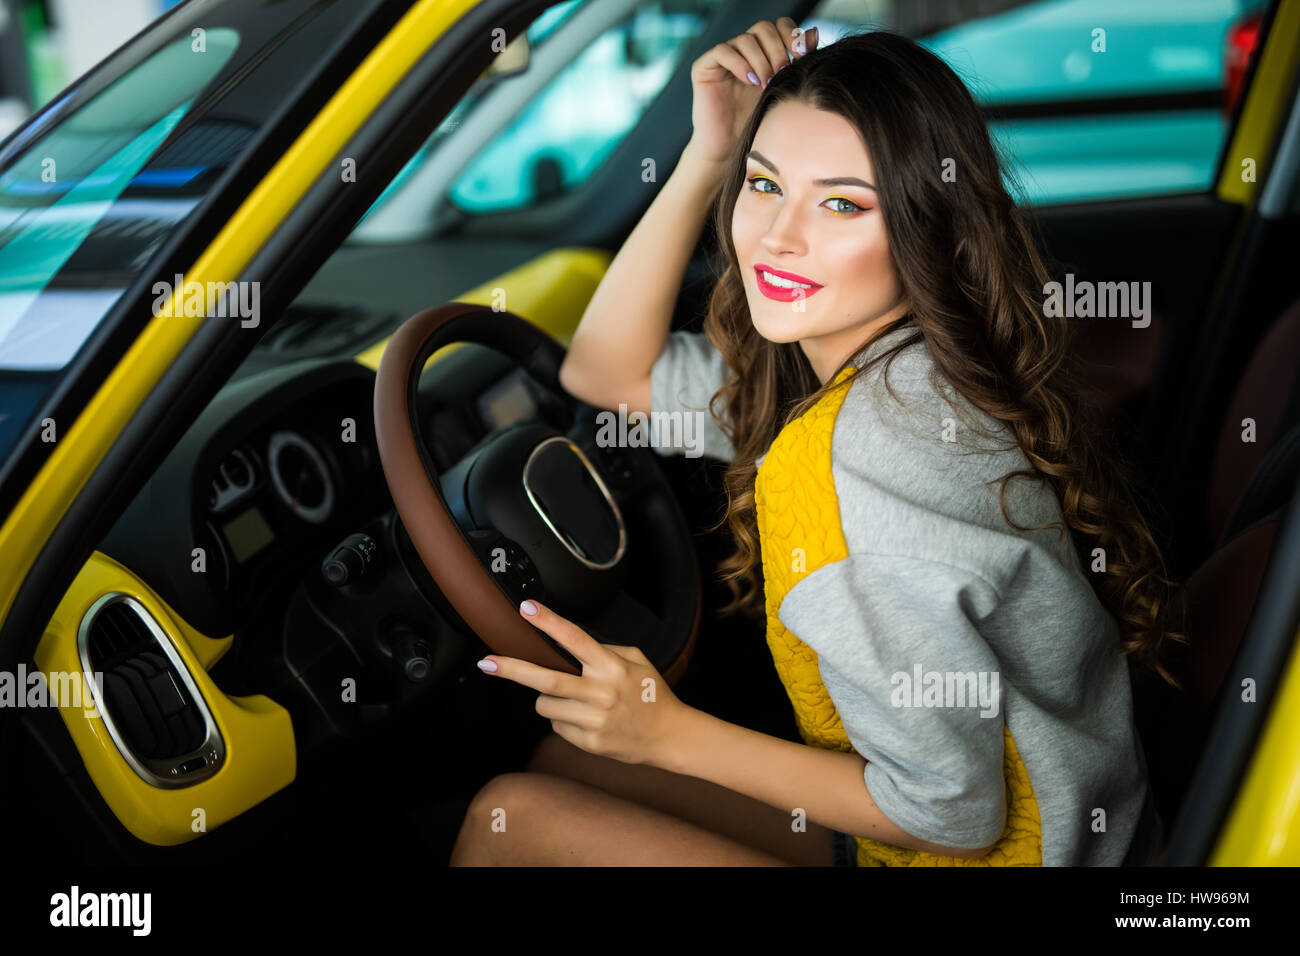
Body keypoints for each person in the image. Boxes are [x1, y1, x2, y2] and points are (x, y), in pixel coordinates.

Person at [449, 18, 1174, 867]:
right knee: (566, 763)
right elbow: (605, 375)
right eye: (763, 184)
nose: (777, 237)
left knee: (506, 818)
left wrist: (664, 733)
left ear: (927, 228)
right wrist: (707, 155)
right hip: (1089, 829)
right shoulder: (905, 365)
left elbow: (952, 815)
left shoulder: (857, 467)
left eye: (841, 203)